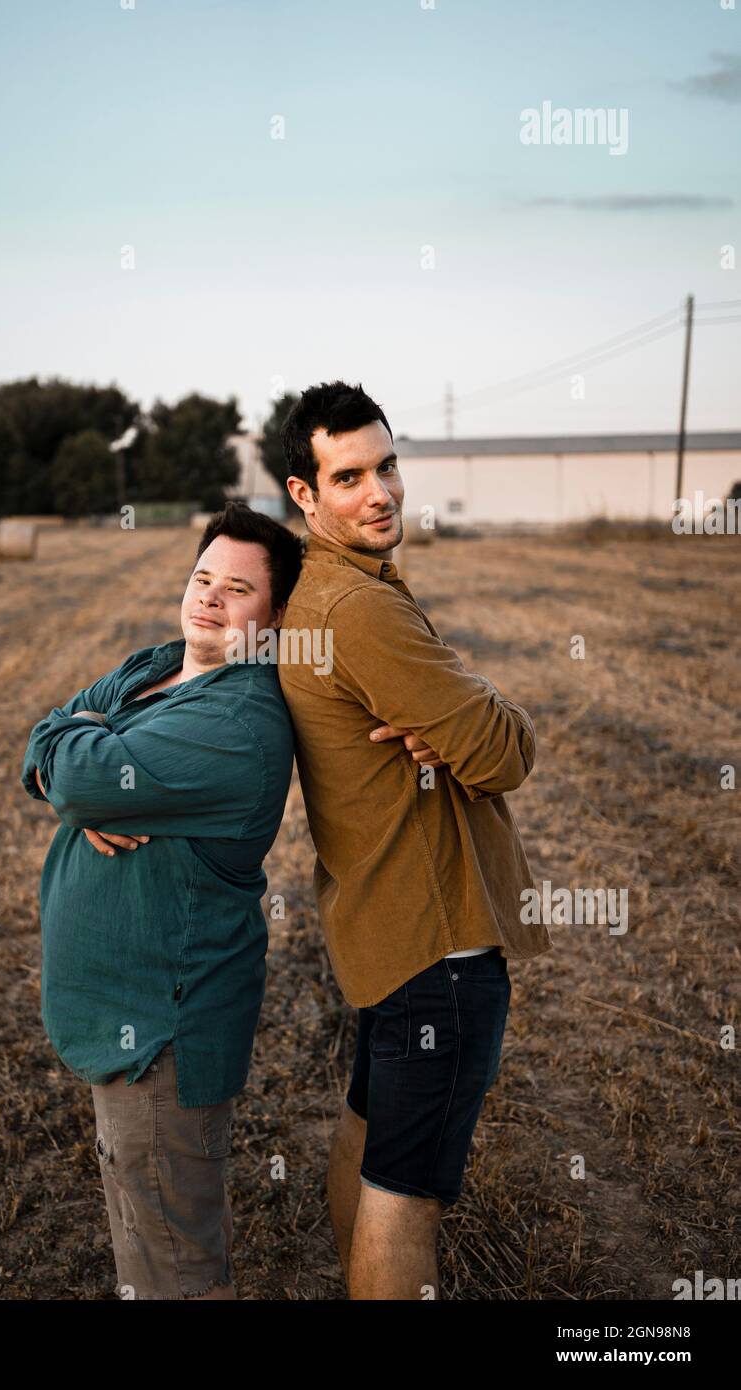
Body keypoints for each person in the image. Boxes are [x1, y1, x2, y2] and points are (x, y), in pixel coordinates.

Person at [276, 381, 553, 1300]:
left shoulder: (327, 593)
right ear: (304, 494)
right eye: (348, 476)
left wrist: (455, 704)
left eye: (387, 466)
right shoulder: (358, 611)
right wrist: (479, 702)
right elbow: (505, 753)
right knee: (407, 1196)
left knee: (370, 1140)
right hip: (440, 944)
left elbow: (469, 734)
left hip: (388, 932)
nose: (381, 492)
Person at [21, 502, 303, 1300]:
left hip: (162, 1031)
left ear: (277, 616)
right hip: (122, 1012)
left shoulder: (238, 722)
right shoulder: (155, 666)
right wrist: (74, 761)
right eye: (202, 577)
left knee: (176, 1267)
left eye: (238, 589)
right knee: (144, 1234)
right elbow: (47, 747)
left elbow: (74, 773)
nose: (209, 597)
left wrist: (80, 762)